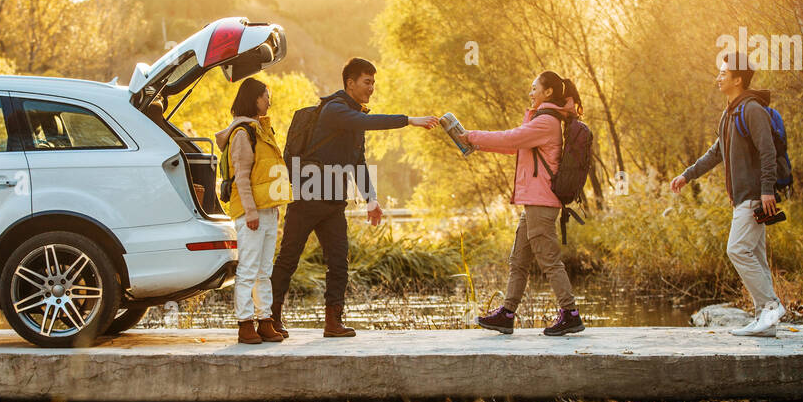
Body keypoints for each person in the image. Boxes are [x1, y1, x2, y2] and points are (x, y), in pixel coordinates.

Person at [268, 57, 436, 337]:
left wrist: (371, 199)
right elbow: (368, 122)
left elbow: (358, 162)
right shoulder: (334, 109)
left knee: (339, 262)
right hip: (308, 196)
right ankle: (271, 318)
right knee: (289, 258)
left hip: (333, 201)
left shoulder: (356, 118)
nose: (371, 88)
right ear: (350, 83)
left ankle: (333, 322)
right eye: (367, 82)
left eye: (373, 83)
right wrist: (409, 121)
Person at [456, 71, 586, 336]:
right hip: (534, 201)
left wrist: (471, 135)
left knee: (549, 260)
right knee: (519, 260)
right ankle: (507, 313)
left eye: (534, 88)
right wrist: (476, 144)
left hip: (541, 201)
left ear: (548, 92)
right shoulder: (544, 120)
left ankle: (571, 314)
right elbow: (514, 146)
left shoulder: (547, 121)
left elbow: (511, 138)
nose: (531, 93)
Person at [670, 51, 785, 337]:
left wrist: (768, 190)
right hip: (744, 197)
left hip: (755, 195)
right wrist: (687, 175)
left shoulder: (752, 110)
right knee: (755, 255)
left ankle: (771, 306)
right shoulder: (730, 113)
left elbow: (768, 151)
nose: (718, 77)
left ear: (738, 78)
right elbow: (716, 152)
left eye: (723, 73)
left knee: (737, 249)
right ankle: (765, 321)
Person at [215, 78, 292, 345]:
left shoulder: (260, 130)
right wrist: (250, 212)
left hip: (268, 210)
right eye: (265, 96)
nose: (268, 101)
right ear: (253, 98)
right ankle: (245, 324)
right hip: (252, 212)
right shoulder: (242, 134)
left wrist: (274, 209)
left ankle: (265, 321)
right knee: (248, 269)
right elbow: (243, 177)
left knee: (263, 271)